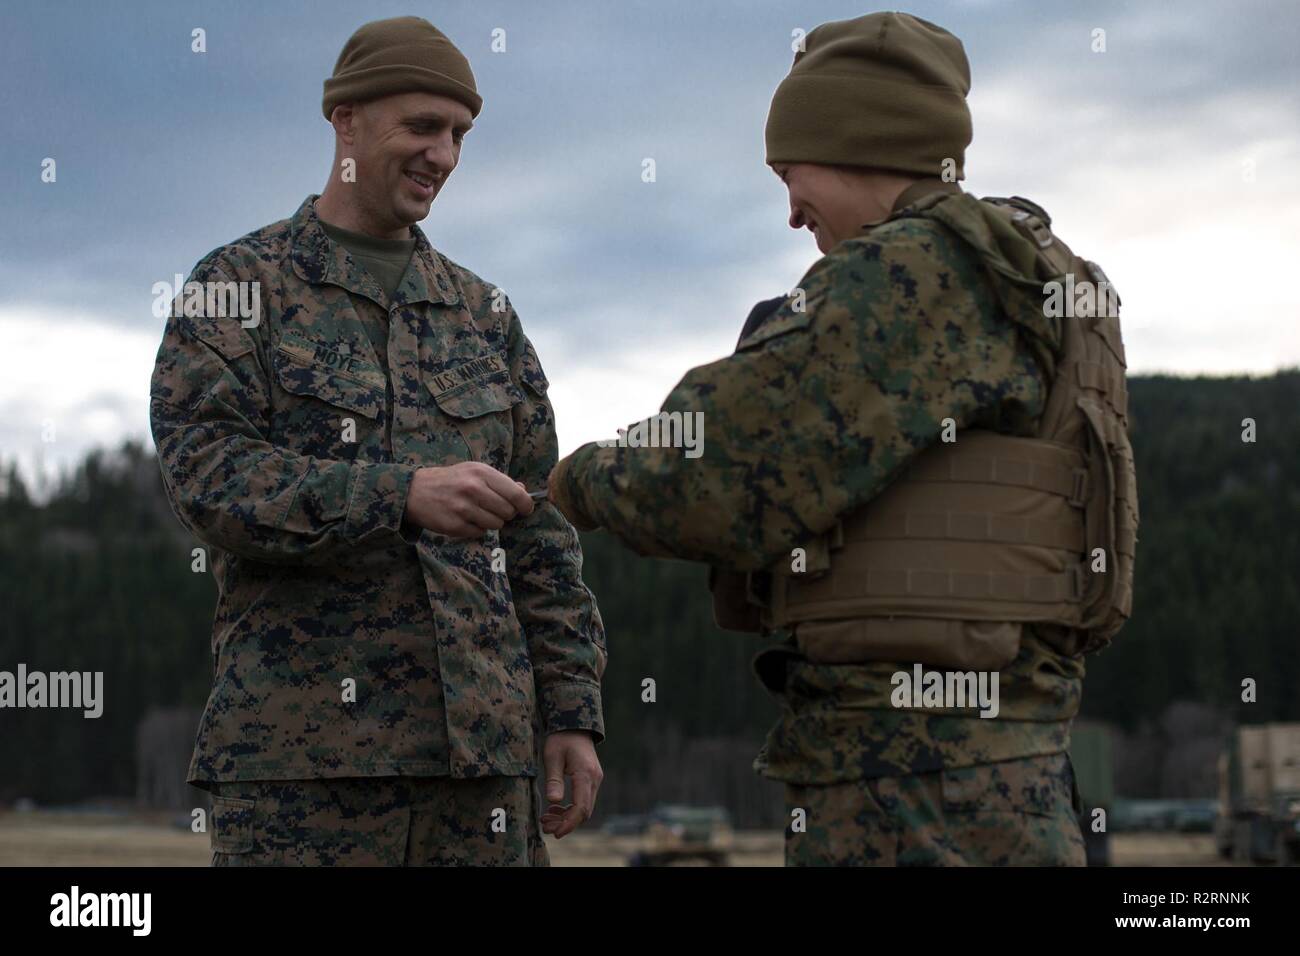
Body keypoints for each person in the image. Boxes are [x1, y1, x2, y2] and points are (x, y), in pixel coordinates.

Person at [547, 11, 1136, 866]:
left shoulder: (914, 272)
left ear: (859, 144)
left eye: (792, 173)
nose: (792, 212)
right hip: (1010, 759)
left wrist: (577, 484)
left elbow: (720, 467)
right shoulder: (1045, 275)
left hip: (908, 781)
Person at [150, 16, 606, 866]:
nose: (445, 156)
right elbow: (207, 476)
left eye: (461, 134)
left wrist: (572, 711)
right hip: (304, 773)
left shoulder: (484, 315)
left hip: (482, 775)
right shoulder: (238, 286)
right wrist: (400, 496)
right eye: (423, 127)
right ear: (345, 120)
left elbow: (542, 532)